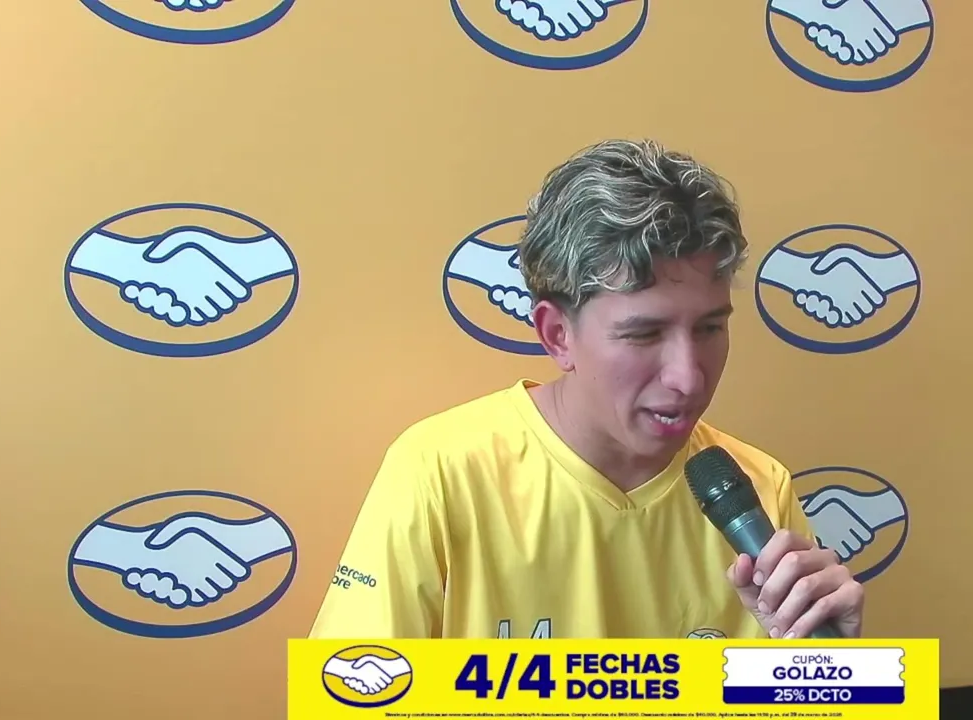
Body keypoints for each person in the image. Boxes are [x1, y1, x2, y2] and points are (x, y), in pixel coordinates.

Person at [309, 139, 864, 641]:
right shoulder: (439, 472)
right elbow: (344, 694)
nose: (688, 377)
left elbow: (801, 698)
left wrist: (836, 674)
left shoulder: (759, 487)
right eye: (644, 334)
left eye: (710, 328)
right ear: (558, 335)